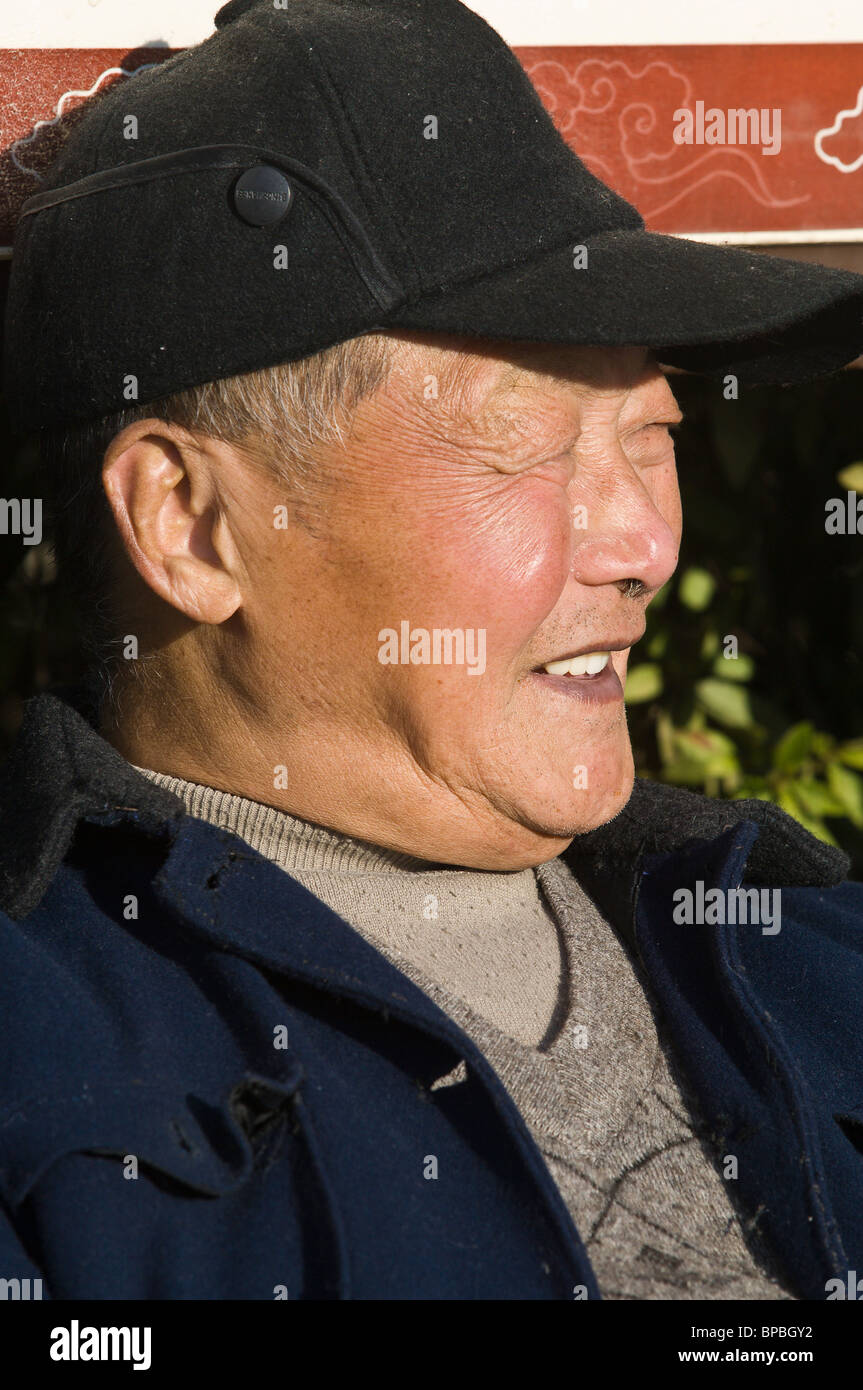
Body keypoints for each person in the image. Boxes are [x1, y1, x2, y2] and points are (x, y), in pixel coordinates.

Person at [2, 0, 863, 1301]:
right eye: (525, 447)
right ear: (188, 525)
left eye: (655, 435)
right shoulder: (36, 1062)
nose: (642, 541)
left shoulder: (807, 945)